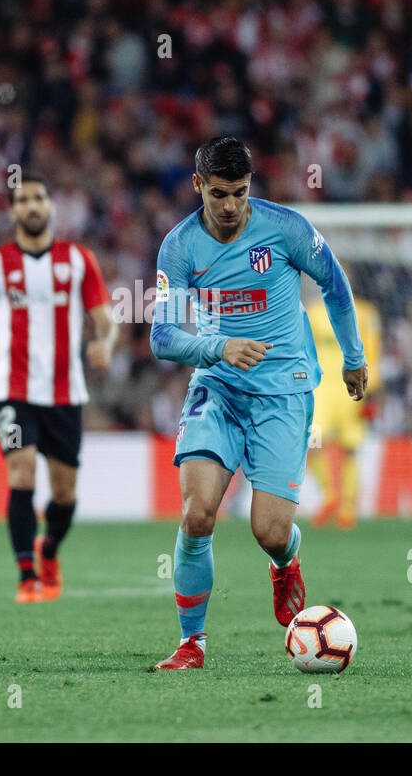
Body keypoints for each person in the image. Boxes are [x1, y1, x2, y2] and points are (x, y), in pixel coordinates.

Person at [149, 136, 367, 670]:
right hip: (217, 387)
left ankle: (285, 561)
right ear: (199, 186)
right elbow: (162, 337)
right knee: (197, 514)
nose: (229, 206)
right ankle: (191, 644)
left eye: (239, 193)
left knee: (268, 531)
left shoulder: (287, 229)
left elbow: (335, 287)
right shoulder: (178, 248)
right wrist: (219, 348)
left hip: (284, 391)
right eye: (218, 193)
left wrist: (353, 357)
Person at [0, 175, 115, 603]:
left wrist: (105, 343)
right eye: (23, 200)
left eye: (39, 198)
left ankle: (49, 547)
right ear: (13, 212)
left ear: (51, 206)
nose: (32, 206)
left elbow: (105, 317)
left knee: (64, 493)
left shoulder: (78, 260)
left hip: (64, 393)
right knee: (21, 474)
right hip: (11, 391)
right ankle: (26, 576)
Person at [304, 285, 383, 529]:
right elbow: (304, 350)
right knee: (311, 442)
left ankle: (348, 509)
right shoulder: (313, 312)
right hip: (321, 391)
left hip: (351, 390)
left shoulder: (366, 313)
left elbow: (373, 352)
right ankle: (330, 496)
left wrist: (371, 391)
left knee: (350, 449)